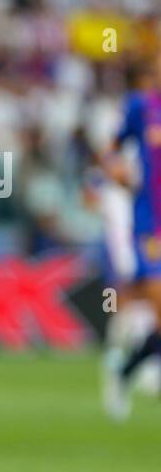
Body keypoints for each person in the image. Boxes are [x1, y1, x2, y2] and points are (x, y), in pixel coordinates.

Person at [101, 50, 161, 420]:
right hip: (151, 222)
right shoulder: (142, 106)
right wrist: (116, 170)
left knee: (145, 306)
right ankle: (125, 373)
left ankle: (123, 371)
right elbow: (110, 149)